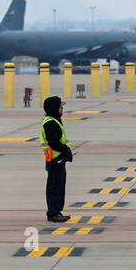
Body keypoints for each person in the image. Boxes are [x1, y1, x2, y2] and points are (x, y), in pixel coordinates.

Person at [40, 95, 74, 223]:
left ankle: (57, 211)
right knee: (55, 187)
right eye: (60, 106)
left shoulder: (54, 120)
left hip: (57, 159)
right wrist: (65, 150)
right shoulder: (51, 123)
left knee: (59, 186)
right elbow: (53, 143)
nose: (62, 109)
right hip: (55, 160)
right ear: (55, 108)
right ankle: (53, 213)